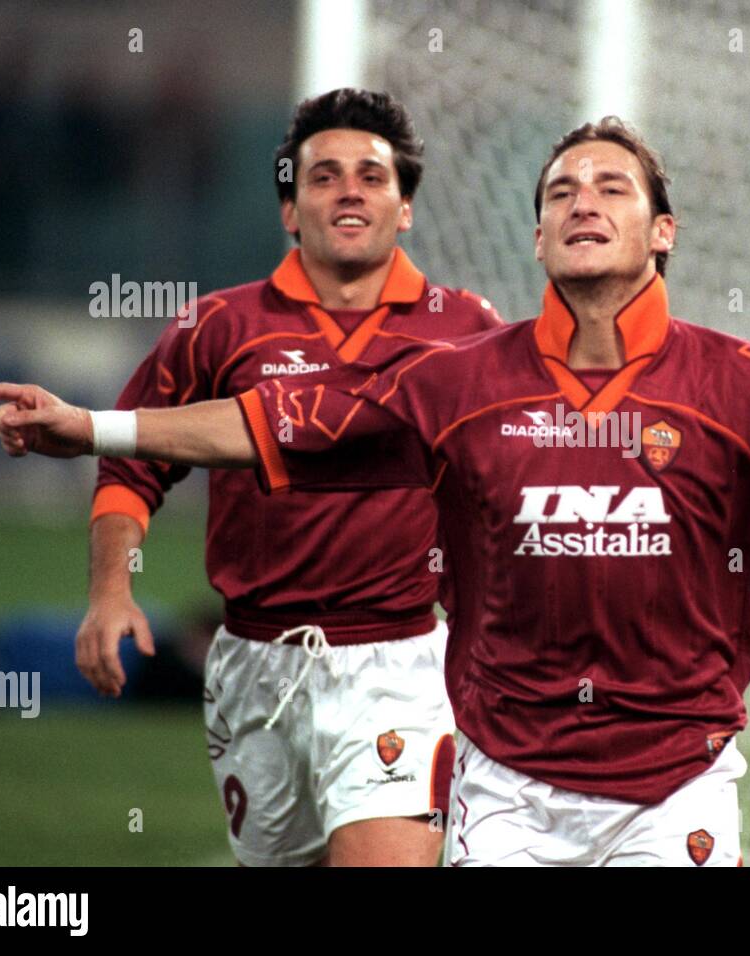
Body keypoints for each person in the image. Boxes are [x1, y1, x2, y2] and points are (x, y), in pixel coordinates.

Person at [0, 117, 750, 867]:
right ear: (532, 242)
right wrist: (93, 423)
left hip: (677, 781)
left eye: (611, 187)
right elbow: (261, 424)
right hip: (506, 789)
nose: (582, 202)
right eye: (560, 190)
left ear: (662, 232)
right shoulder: (452, 382)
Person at [71, 88, 500, 867]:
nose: (349, 191)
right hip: (253, 665)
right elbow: (131, 464)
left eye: (372, 177)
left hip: (398, 663)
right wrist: (109, 593)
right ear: (289, 209)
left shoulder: (466, 330)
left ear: (404, 207)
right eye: (324, 176)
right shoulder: (218, 326)